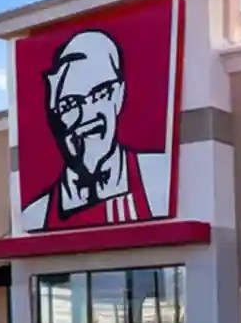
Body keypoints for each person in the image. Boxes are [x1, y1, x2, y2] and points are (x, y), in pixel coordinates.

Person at [21, 30, 168, 230]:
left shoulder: (159, 179)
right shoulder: (36, 217)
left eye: (100, 93)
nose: (88, 114)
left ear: (119, 95)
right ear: (55, 116)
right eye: (70, 103)